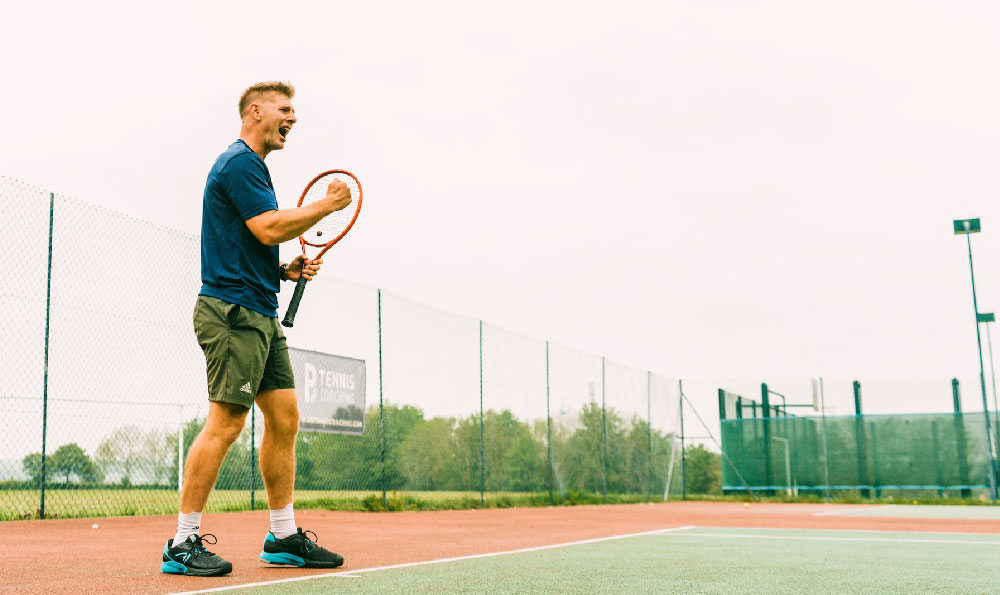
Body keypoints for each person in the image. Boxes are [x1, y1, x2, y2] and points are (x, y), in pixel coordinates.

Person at [161, 81, 352, 577]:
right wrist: (328, 206)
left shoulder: (255, 169)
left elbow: (253, 239)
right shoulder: (240, 162)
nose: (294, 118)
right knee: (226, 422)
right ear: (255, 111)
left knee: (285, 417)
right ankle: (181, 543)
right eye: (286, 109)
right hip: (232, 314)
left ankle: (283, 536)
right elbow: (268, 227)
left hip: (260, 310)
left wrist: (283, 271)